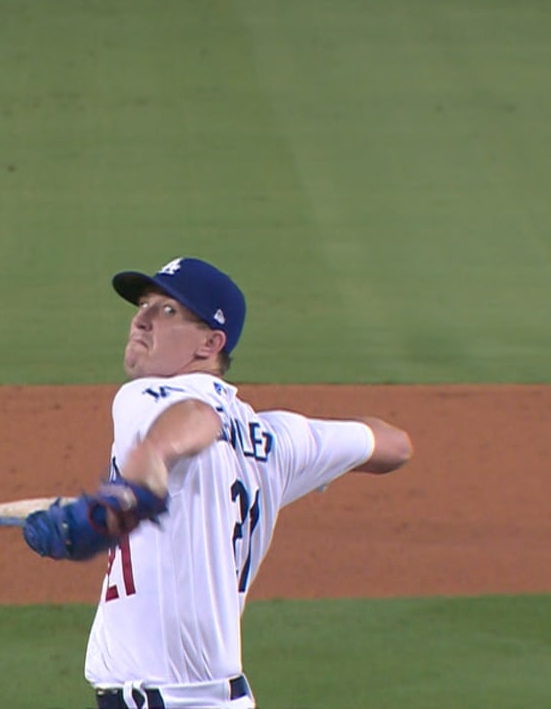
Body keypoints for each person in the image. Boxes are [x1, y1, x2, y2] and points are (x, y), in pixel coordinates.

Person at [23, 257, 413, 709]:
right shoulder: (276, 441)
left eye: (167, 311)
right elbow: (395, 445)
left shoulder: (147, 397)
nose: (142, 318)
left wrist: (151, 461)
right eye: (144, 304)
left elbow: (198, 417)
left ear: (211, 342)